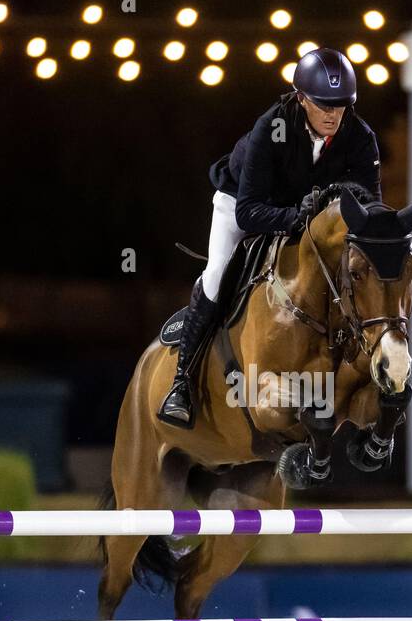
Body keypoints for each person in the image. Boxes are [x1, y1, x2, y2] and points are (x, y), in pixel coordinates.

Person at [158, 47, 383, 428]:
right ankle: (182, 384)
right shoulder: (272, 126)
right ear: (301, 99)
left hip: (302, 215)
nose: (332, 114)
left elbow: (369, 212)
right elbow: (248, 211)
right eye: (322, 104)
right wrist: (299, 219)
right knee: (217, 274)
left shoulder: (360, 137)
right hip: (242, 204)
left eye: (340, 105)